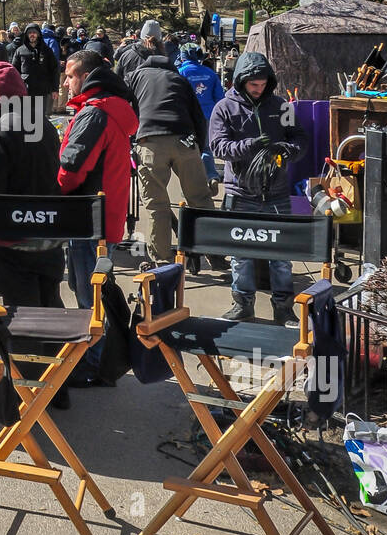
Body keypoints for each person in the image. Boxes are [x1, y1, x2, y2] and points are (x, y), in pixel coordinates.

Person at [208, 50, 308, 323]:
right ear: (240, 81)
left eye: (263, 85)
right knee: (241, 255)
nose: (259, 89)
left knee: (282, 256)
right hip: (240, 193)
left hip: (276, 192)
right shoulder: (224, 109)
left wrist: (289, 150)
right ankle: (242, 305)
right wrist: (250, 145)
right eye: (254, 85)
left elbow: (299, 137)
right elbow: (219, 147)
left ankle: (284, 309)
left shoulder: (281, 106)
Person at [58, 50, 139, 387]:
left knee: (86, 293)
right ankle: (97, 359)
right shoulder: (111, 108)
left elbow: (71, 170)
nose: (65, 80)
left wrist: (54, 183)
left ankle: (93, 363)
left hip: (87, 217)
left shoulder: (96, 112)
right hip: (104, 215)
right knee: (94, 290)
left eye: (70, 74)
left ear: (86, 76)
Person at [118, 19, 216, 267]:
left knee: (156, 206)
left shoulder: (137, 76)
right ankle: (213, 252)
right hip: (185, 139)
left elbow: (124, 107)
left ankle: (162, 261)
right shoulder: (179, 79)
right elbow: (198, 117)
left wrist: (130, 139)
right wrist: (199, 147)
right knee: (200, 199)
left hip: (151, 140)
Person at [0, 61, 64, 307]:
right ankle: (59, 346)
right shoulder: (45, 126)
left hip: (13, 239)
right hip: (48, 235)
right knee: (50, 310)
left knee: (24, 319)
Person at [177, 43, 225, 193]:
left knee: (188, 150)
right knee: (206, 148)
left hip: (188, 117)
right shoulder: (209, 73)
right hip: (207, 115)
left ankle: (194, 185)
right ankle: (212, 176)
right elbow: (220, 97)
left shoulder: (181, 73)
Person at [11, 22, 59, 115]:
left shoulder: (46, 50)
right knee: (26, 117)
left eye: (34, 32)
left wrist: (55, 89)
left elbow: (54, 69)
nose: (32, 34)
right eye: (29, 33)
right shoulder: (20, 50)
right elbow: (14, 71)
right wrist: (14, 88)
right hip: (25, 89)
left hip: (42, 89)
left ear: (38, 34)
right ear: (26, 35)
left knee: (40, 118)